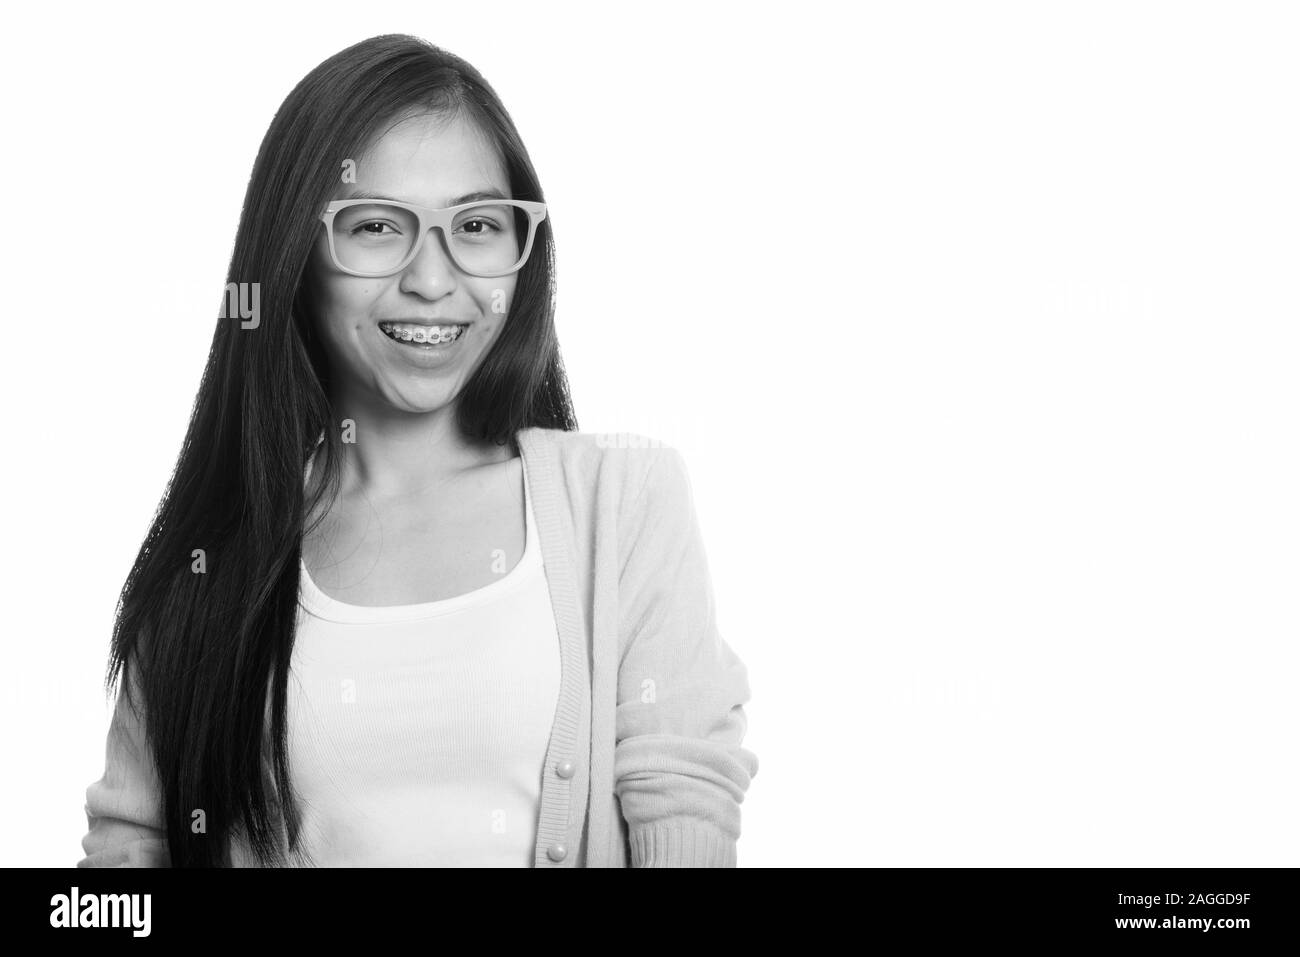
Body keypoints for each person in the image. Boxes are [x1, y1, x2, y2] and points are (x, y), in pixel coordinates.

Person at [78, 34, 757, 868]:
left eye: (475, 225)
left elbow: (683, 800)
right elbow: (124, 867)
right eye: (375, 227)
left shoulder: (625, 502)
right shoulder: (211, 565)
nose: (433, 280)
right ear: (296, 252)